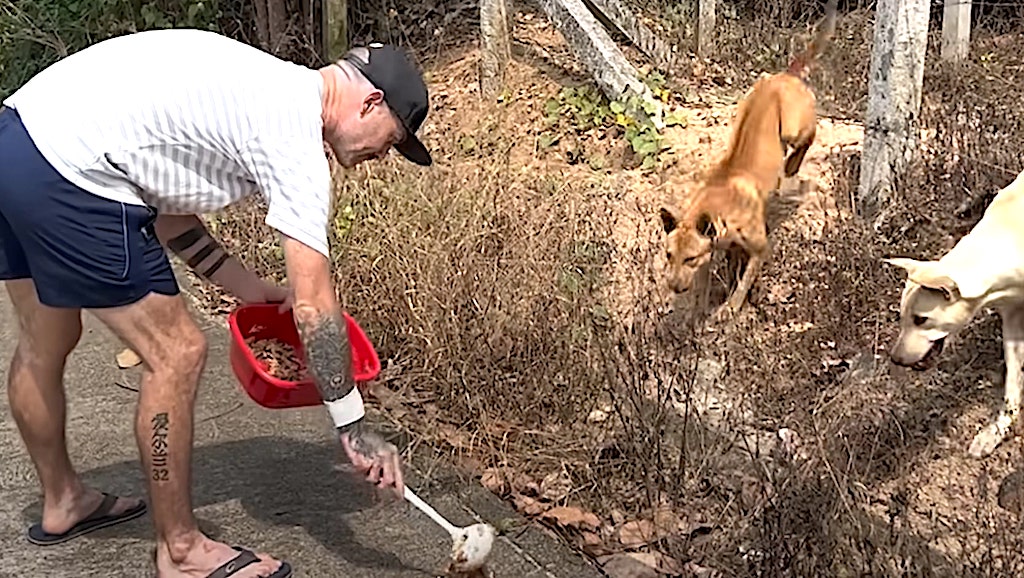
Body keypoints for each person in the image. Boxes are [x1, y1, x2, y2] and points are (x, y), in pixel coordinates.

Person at [0, 27, 431, 578]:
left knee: (45, 340)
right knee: (176, 353)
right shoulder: (294, 132)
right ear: (370, 102)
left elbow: (167, 203)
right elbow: (315, 308)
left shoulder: (263, 87)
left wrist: (249, 290)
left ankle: (63, 501)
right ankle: (181, 551)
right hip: (72, 172)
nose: (375, 158)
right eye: (388, 140)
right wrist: (352, 427)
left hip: (19, 139)